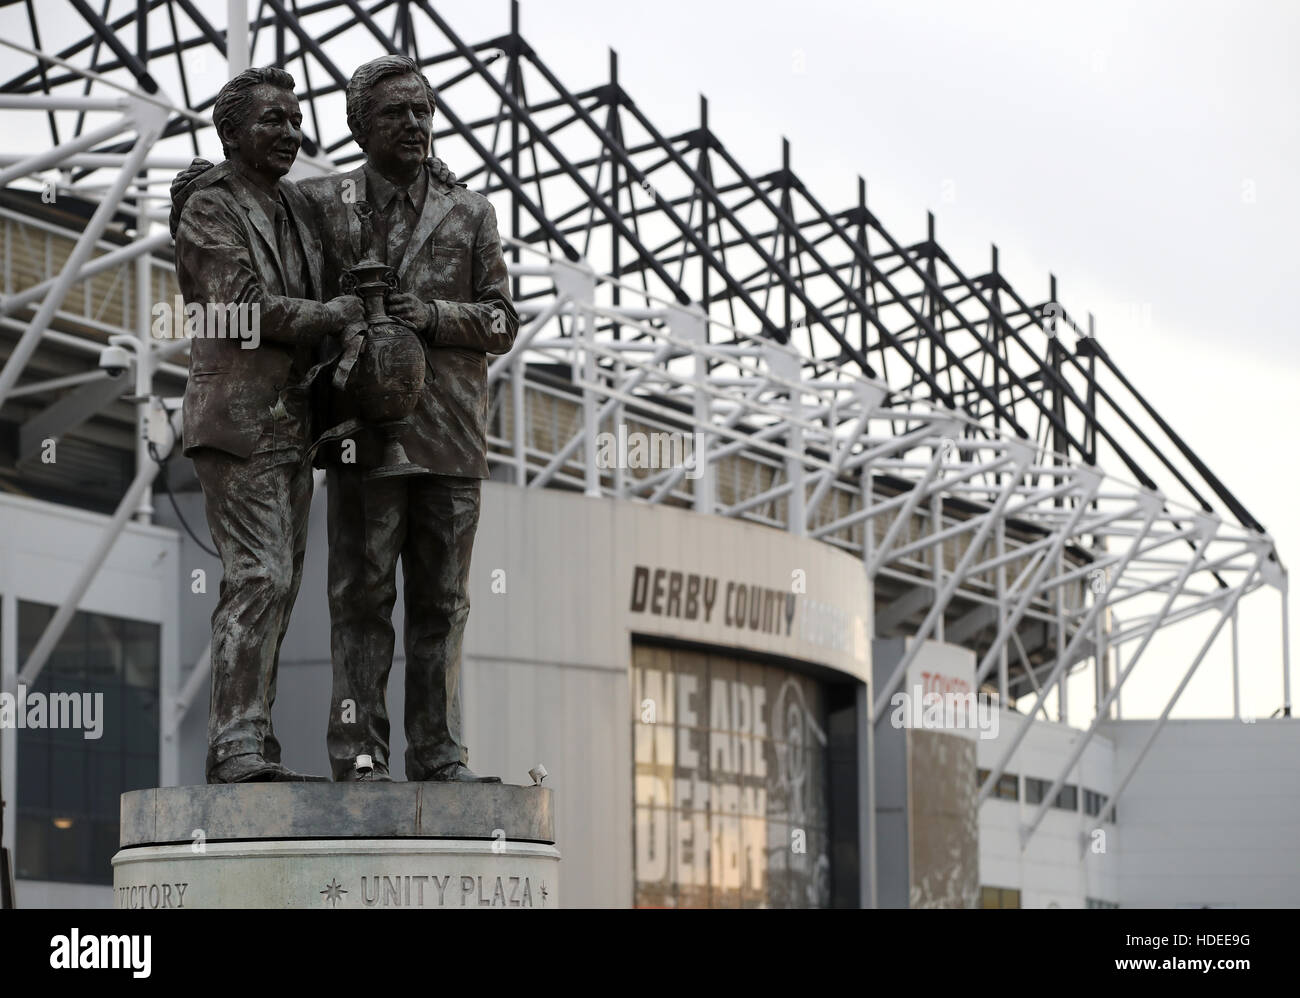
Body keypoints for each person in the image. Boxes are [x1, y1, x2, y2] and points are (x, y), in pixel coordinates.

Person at [299, 54, 518, 783]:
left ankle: (440, 754)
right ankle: (358, 753)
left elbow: (501, 319)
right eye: (395, 112)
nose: (415, 124)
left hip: (451, 436)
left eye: (423, 111)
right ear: (359, 124)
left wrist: (432, 314)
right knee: (360, 597)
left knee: (444, 603)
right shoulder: (325, 205)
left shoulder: (470, 211)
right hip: (363, 435)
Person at [171, 67, 363, 783]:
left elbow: (359, 204)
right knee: (260, 576)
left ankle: (253, 743)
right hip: (238, 421)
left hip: (292, 425)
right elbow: (241, 310)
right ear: (230, 133)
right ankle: (236, 746)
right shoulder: (210, 209)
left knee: (279, 588)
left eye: (295, 119)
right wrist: (331, 318)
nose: (290, 132)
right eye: (272, 121)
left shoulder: (295, 209)